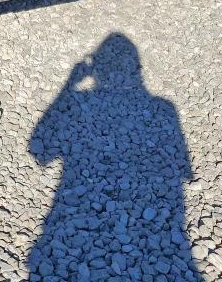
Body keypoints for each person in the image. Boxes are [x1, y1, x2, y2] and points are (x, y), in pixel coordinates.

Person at [28, 33, 199, 281]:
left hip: (64, 220)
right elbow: (184, 171)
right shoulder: (164, 108)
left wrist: (69, 85)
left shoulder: (80, 99)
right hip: (173, 234)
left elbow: (40, 151)